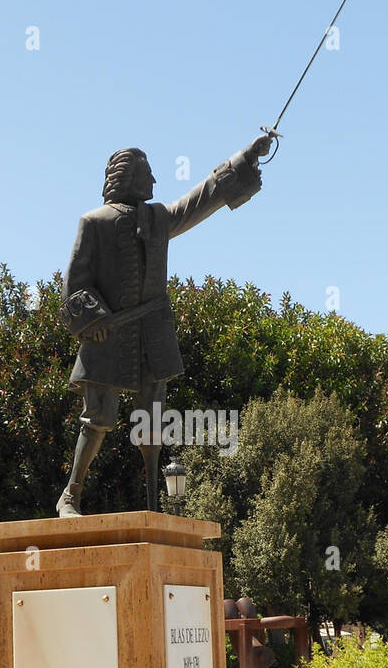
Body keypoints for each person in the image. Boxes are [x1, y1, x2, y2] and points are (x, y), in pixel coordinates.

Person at [56, 136, 273, 516]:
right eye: (147, 174)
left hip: (151, 336)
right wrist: (93, 319)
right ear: (127, 178)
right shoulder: (93, 222)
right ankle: (70, 495)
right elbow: (75, 284)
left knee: (152, 426)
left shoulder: (157, 219)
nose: (155, 181)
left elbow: (200, 200)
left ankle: (154, 503)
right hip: (108, 338)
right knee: (98, 419)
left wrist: (244, 158)